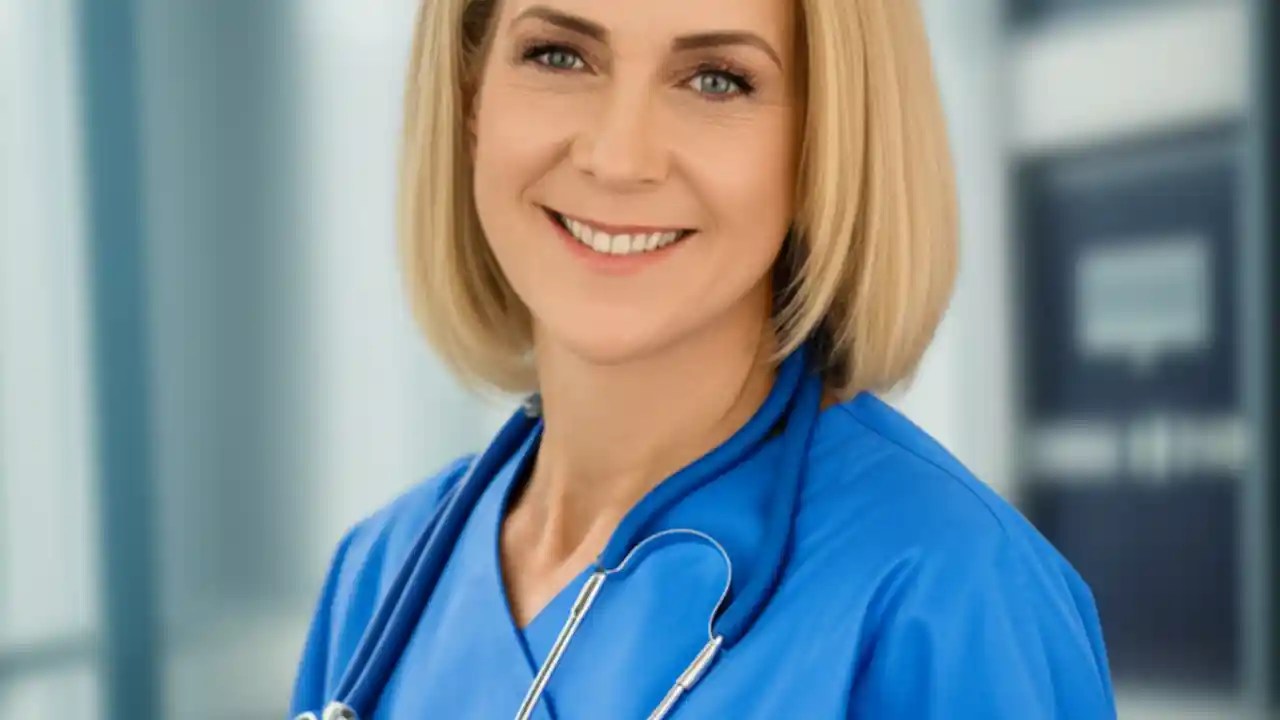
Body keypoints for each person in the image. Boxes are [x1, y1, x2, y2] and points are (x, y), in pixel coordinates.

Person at [289, 0, 1117, 717]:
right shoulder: (383, 578)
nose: (618, 158)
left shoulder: (949, 593)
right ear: (471, 97)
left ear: (824, 136)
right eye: (559, 55)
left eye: (717, 78)